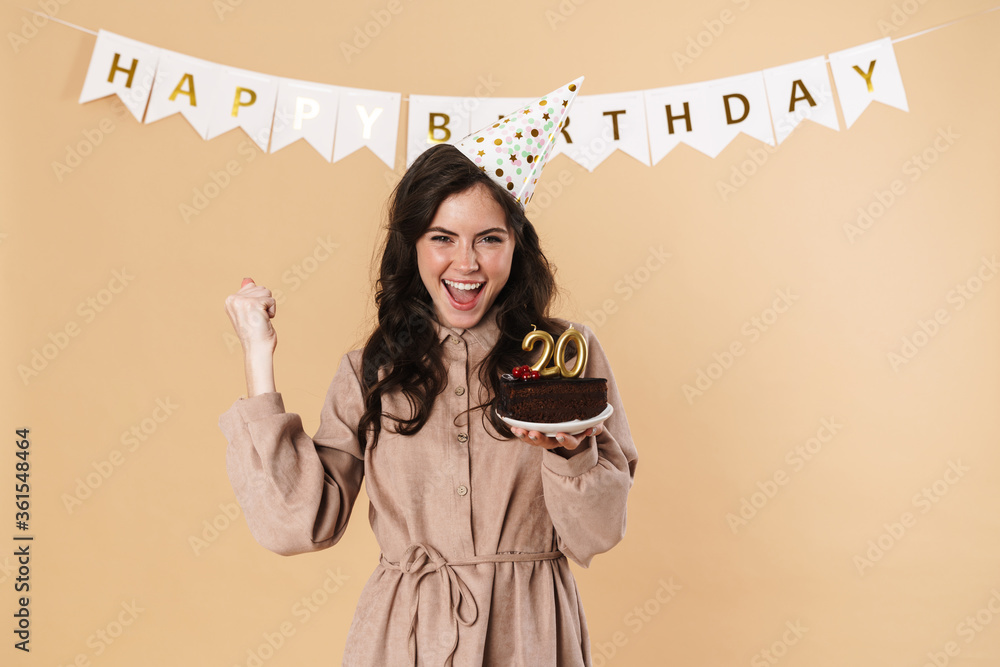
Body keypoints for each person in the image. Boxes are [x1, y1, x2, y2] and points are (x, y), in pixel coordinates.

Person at [218, 80, 637, 666]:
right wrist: (257, 354)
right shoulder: (371, 370)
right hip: (404, 639)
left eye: (489, 239)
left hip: (529, 636)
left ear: (516, 245)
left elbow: (597, 534)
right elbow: (296, 525)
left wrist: (571, 454)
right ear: (412, 246)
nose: (465, 263)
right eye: (442, 238)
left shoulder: (562, 353)